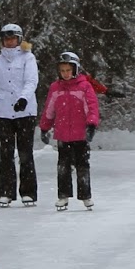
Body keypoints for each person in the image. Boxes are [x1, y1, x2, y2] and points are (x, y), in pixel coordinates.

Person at [0, 22, 39, 207]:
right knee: (6, 154)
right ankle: (6, 192)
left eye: (13, 38)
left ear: (19, 39)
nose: (10, 42)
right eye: (6, 39)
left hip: (25, 112)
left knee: (25, 152)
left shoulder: (28, 58)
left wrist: (23, 99)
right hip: (4, 112)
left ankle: (28, 192)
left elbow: (31, 82)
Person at [38, 51, 100, 211]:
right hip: (63, 134)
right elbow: (49, 110)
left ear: (75, 69)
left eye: (68, 70)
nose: (65, 74)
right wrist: (44, 127)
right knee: (63, 166)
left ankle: (85, 196)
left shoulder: (84, 86)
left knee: (82, 165)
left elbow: (92, 107)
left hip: (80, 134)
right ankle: (63, 196)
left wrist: (91, 125)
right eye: (62, 70)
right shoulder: (55, 88)